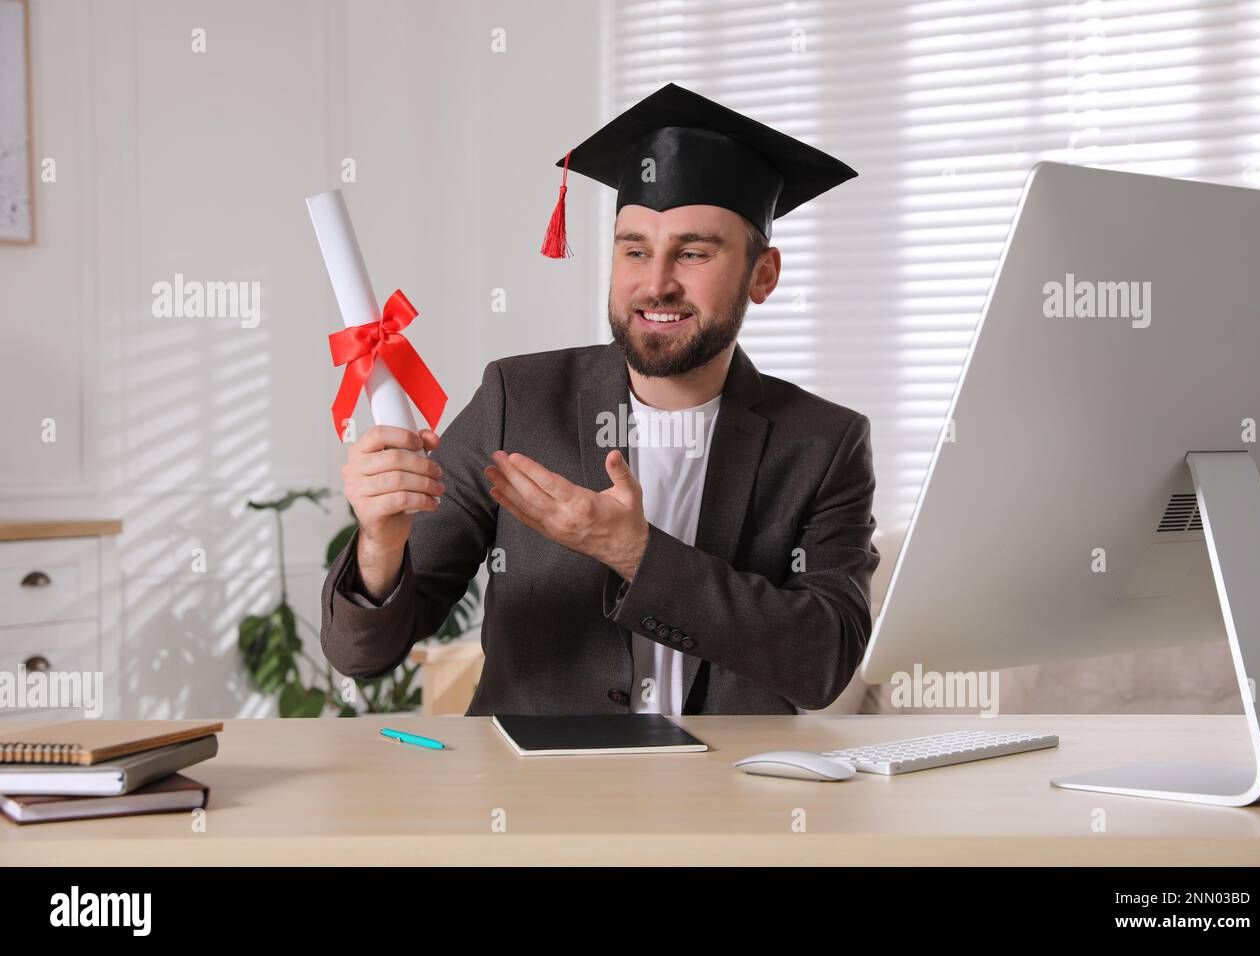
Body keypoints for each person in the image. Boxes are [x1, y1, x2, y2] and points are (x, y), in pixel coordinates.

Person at [320, 83, 881, 716]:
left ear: (763, 274)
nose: (656, 283)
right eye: (634, 250)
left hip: (725, 797)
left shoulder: (823, 443)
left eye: (693, 253)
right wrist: (379, 545)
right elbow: (360, 655)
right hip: (537, 795)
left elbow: (823, 661)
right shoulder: (518, 400)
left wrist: (634, 552)